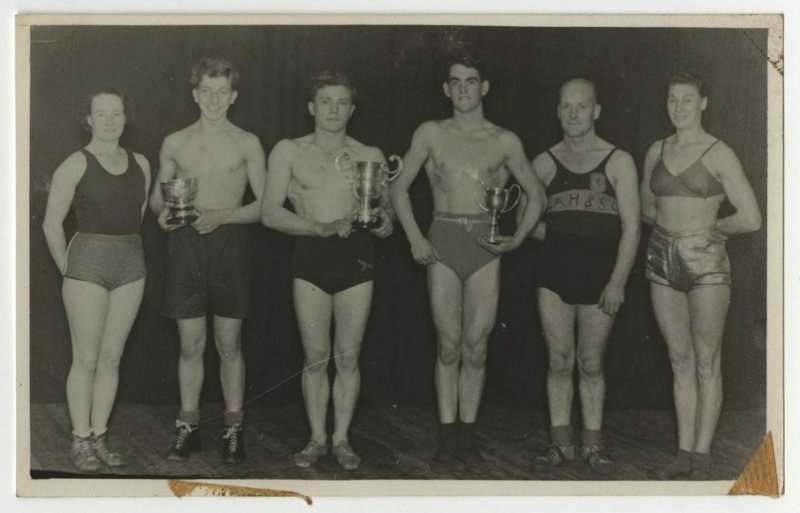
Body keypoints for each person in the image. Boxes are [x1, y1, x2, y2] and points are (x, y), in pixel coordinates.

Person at [389, 54, 545, 472]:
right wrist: (415, 237)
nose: (463, 89)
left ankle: (468, 438)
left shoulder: (504, 140)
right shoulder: (430, 133)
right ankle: (446, 439)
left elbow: (537, 194)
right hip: (441, 240)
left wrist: (517, 239)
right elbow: (397, 188)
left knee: (476, 348)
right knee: (448, 345)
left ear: (484, 87)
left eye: (470, 81)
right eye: (455, 82)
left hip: (484, 245)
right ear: (446, 89)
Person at [262, 70, 393, 471]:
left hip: (356, 255)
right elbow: (269, 213)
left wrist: (385, 223)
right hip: (310, 254)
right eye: (325, 102)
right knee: (316, 356)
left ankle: (342, 439)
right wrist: (317, 227)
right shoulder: (289, 150)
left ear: (352, 109)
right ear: (311, 108)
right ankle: (317, 438)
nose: (333, 110)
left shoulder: (370, 154)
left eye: (341, 103)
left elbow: (385, 216)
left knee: (348, 356)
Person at [641, 71, 761, 480]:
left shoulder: (719, 153)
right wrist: (672, 232)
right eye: (672, 99)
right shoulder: (655, 150)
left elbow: (750, 218)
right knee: (679, 360)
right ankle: (683, 453)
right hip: (660, 258)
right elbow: (647, 209)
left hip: (705, 260)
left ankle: (703, 456)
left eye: (687, 100)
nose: (678, 107)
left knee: (707, 361)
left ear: (703, 103)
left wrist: (709, 230)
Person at [150, 58, 267, 464]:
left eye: (223, 92)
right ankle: (188, 427)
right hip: (185, 244)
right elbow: (156, 199)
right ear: (195, 94)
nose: (214, 100)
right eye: (207, 91)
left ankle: (233, 429)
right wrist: (162, 215)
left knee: (229, 344)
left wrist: (222, 216)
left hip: (231, 243)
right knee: (190, 344)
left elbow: (265, 206)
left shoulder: (247, 142)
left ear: (233, 96)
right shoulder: (175, 142)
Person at [526, 79, 640, 475]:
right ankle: (560, 445)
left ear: (596, 110)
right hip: (553, 274)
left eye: (582, 107)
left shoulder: (618, 160)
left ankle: (593, 446)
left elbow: (632, 228)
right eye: (566, 107)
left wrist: (618, 281)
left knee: (590, 362)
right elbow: (523, 222)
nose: (573, 115)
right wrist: (559, 236)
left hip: (601, 276)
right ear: (558, 111)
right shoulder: (542, 163)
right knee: (559, 361)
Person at [43, 88, 151, 472]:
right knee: (86, 358)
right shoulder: (75, 163)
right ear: (88, 119)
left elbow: (135, 217)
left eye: (117, 113)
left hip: (130, 264)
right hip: (86, 264)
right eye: (101, 113)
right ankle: (80, 439)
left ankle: (100, 436)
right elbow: (51, 223)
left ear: (125, 118)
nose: (110, 120)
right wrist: (69, 269)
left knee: (111, 357)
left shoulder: (141, 162)